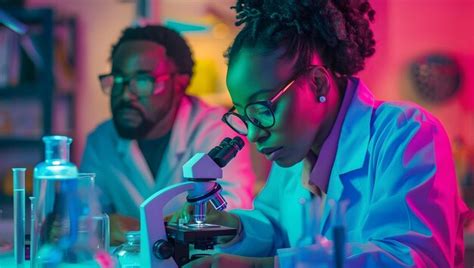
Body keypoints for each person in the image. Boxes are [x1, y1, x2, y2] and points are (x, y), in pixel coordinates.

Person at [180, 0, 468, 267]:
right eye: (245, 116)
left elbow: (412, 258)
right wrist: (232, 228)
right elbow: (277, 229)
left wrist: (264, 266)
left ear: (317, 83)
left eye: (263, 109)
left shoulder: (406, 133)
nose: (254, 135)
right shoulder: (296, 149)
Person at [80, 25, 262, 245]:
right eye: (118, 79)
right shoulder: (100, 140)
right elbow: (82, 217)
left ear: (180, 82)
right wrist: (103, 224)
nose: (125, 95)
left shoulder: (215, 129)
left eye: (144, 80)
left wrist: (162, 228)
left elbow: (232, 212)